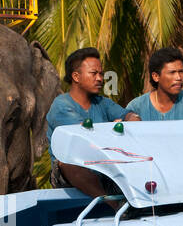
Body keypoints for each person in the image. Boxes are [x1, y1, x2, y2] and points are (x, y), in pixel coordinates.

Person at [46, 47, 139, 196]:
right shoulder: (61, 105)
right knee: (67, 163)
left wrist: (131, 119)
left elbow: (131, 117)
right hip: (73, 171)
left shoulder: (103, 102)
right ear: (76, 77)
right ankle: (113, 204)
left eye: (101, 74)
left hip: (105, 169)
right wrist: (113, 129)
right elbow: (84, 138)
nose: (100, 78)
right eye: (94, 73)